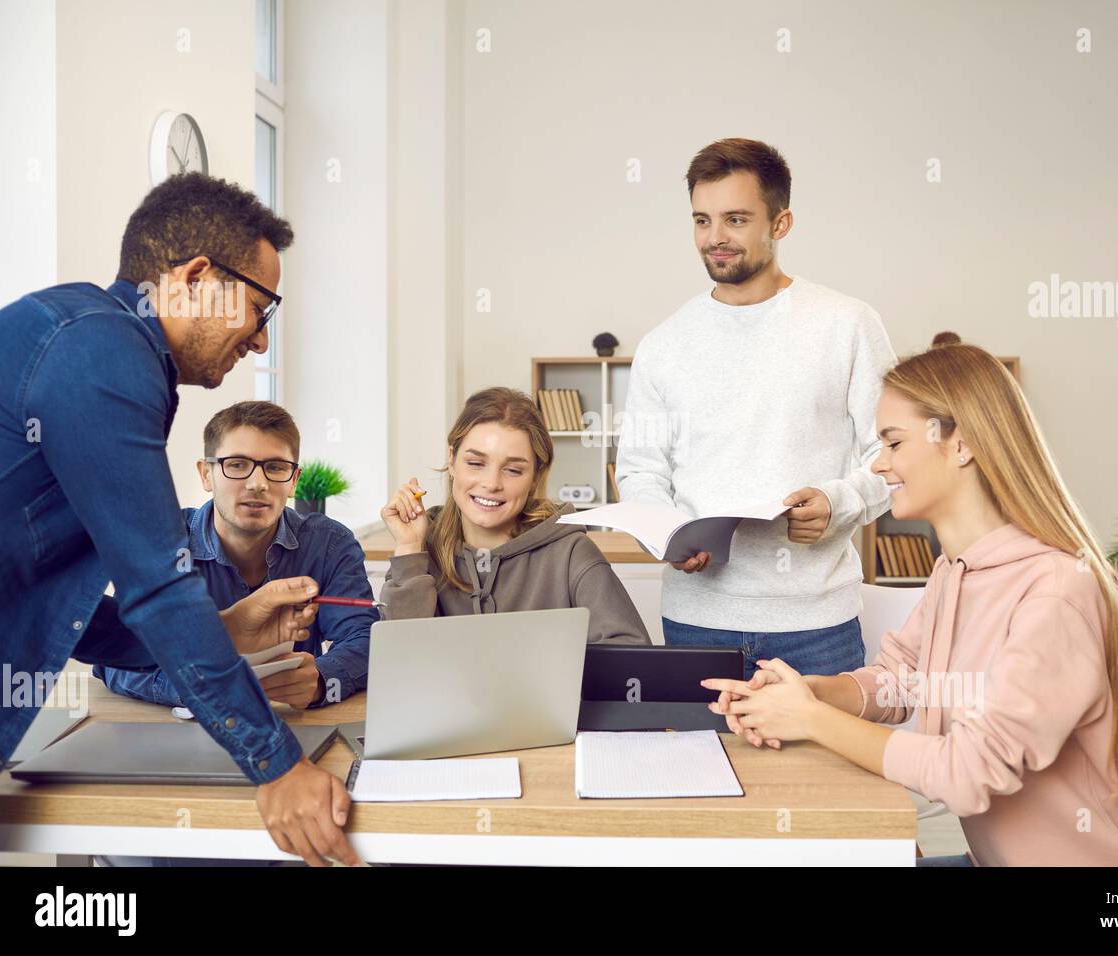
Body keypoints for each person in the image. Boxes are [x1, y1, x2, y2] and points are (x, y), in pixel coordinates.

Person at [0, 173, 359, 867]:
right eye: (260, 308)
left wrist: (216, 632)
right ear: (194, 277)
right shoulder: (102, 354)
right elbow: (158, 589)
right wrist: (276, 767)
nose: (259, 343)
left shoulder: (86, 336)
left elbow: (41, 605)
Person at [704, 333, 1118, 866]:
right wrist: (814, 693)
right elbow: (903, 679)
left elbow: (968, 773)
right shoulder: (954, 571)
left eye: (894, 443)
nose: (881, 466)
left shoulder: (1054, 591)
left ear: (961, 444)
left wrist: (812, 721)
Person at [616, 137, 896, 676]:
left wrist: (839, 502)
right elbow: (640, 470)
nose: (715, 238)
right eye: (702, 220)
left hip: (818, 626)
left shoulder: (848, 324)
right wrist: (669, 532)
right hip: (695, 622)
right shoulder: (664, 343)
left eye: (736, 219)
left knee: (823, 764)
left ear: (781, 223)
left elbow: (894, 456)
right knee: (702, 762)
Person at [96, 401, 376, 710]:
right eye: (238, 465)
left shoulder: (330, 544)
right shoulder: (162, 543)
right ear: (206, 474)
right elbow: (114, 657)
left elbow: (364, 636)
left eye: (276, 467)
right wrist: (200, 687)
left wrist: (322, 680)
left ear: (294, 481)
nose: (258, 484)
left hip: (291, 726)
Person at [379, 387, 650, 644]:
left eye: (513, 470)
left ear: (535, 477)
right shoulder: (421, 549)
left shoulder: (571, 552)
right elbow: (399, 656)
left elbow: (632, 655)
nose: (492, 483)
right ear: (452, 460)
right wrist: (409, 549)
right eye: (475, 463)